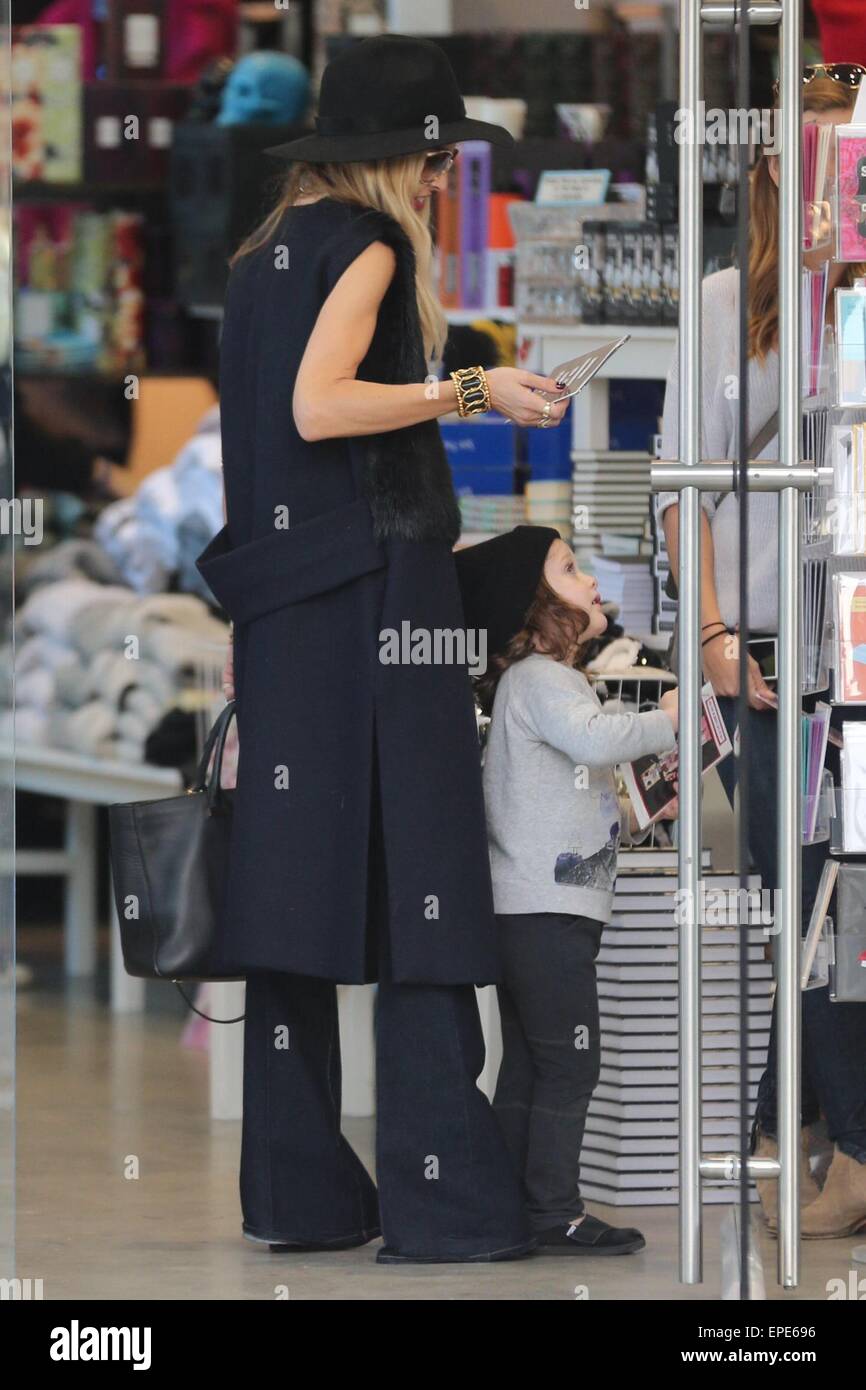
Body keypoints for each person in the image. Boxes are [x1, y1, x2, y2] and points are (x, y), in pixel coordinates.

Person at [196, 35, 572, 1264]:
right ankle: (445, 1200)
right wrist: (474, 391)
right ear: (407, 154)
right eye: (435, 153)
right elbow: (321, 405)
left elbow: (268, 429)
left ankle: (300, 1195)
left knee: (295, 903)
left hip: (289, 607)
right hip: (372, 602)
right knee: (427, 882)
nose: (436, 175)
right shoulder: (366, 247)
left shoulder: (264, 259)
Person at [658, 72, 866, 1238]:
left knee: (837, 894)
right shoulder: (722, 304)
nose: (832, 165)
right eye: (813, 143)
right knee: (813, 892)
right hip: (767, 656)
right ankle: (830, 1147)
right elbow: (679, 485)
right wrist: (715, 640)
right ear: (774, 167)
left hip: (855, 645)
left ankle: (782, 1127)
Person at [456, 526, 680, 1253]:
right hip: (547, 910)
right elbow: (594, 741)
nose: (588, 580)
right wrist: (668, 720)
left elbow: (562, 789)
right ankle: (554, 1209)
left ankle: (503, 1200)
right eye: (570, 568)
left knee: (530, 1058)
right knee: (572, 1061)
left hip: (532, 905)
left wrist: (630, 812)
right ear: (538, 600)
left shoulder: (530, 683)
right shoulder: (546, 679)